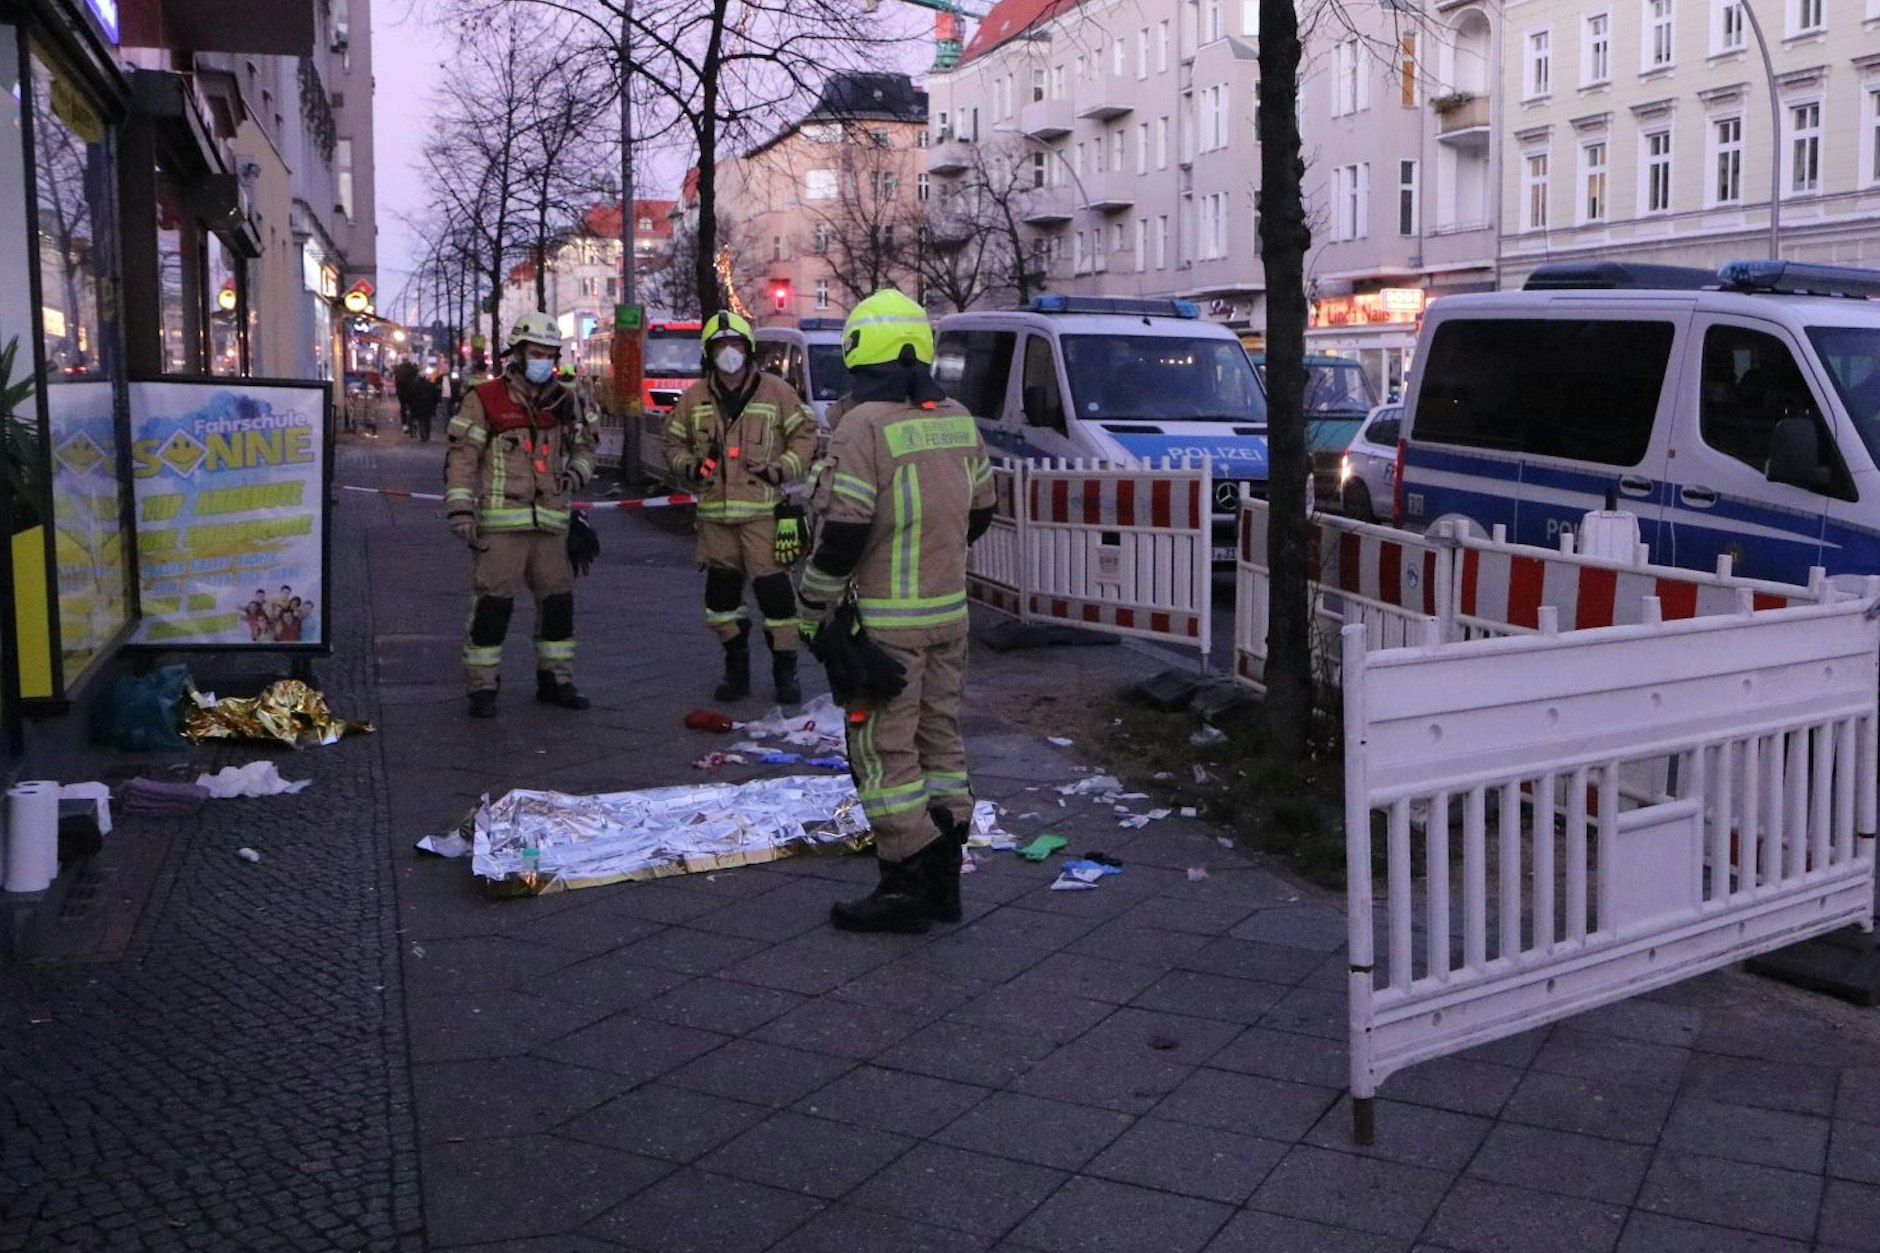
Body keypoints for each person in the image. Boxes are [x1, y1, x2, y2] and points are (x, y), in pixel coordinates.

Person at [797, 289, 997, 933]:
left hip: (886, 628)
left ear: (861, 354)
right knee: (941, 741)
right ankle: (944, 885)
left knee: (884, 755)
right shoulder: (958, 418)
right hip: (950, 618)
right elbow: (982, 514)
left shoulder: (861, 427)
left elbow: (845, 534)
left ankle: (903, 885)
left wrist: (811, 608)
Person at [660, 311, 818, 705]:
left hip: (764, 515)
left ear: (747, 350)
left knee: (777, 600)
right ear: (709, 352)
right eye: (720, 346)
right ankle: (736, 665)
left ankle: (786, 671)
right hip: (716, 519)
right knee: (720, 602)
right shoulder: (695, 398)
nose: (728, 353)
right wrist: (690, 467)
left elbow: (805, 435)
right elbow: (672, 445)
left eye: (734, 346)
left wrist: (783, 469)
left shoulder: (777, 392)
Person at [444, 310, 596, 717]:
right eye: (536, 352)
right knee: (493, 607)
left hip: (551, 521)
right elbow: (462, 458)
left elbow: (585, 447)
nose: (543, 359)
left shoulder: (566, 398)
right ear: (517, 352)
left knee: (558, 605)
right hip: (501, 523)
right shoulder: (486, 399)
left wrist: (574, 478)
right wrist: (460, 510)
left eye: (550, 352)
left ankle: (556, 680)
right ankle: (482, 687)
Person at [408, 371, 442, 443]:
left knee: (421, 421)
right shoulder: (430, 385)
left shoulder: (415, 385)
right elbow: (434, 395)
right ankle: (427, 435)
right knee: (427, 421)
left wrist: (411, 405)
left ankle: (423, 435)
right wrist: (435, 404)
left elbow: (411, 396)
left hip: (418, 406)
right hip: (428, 406)